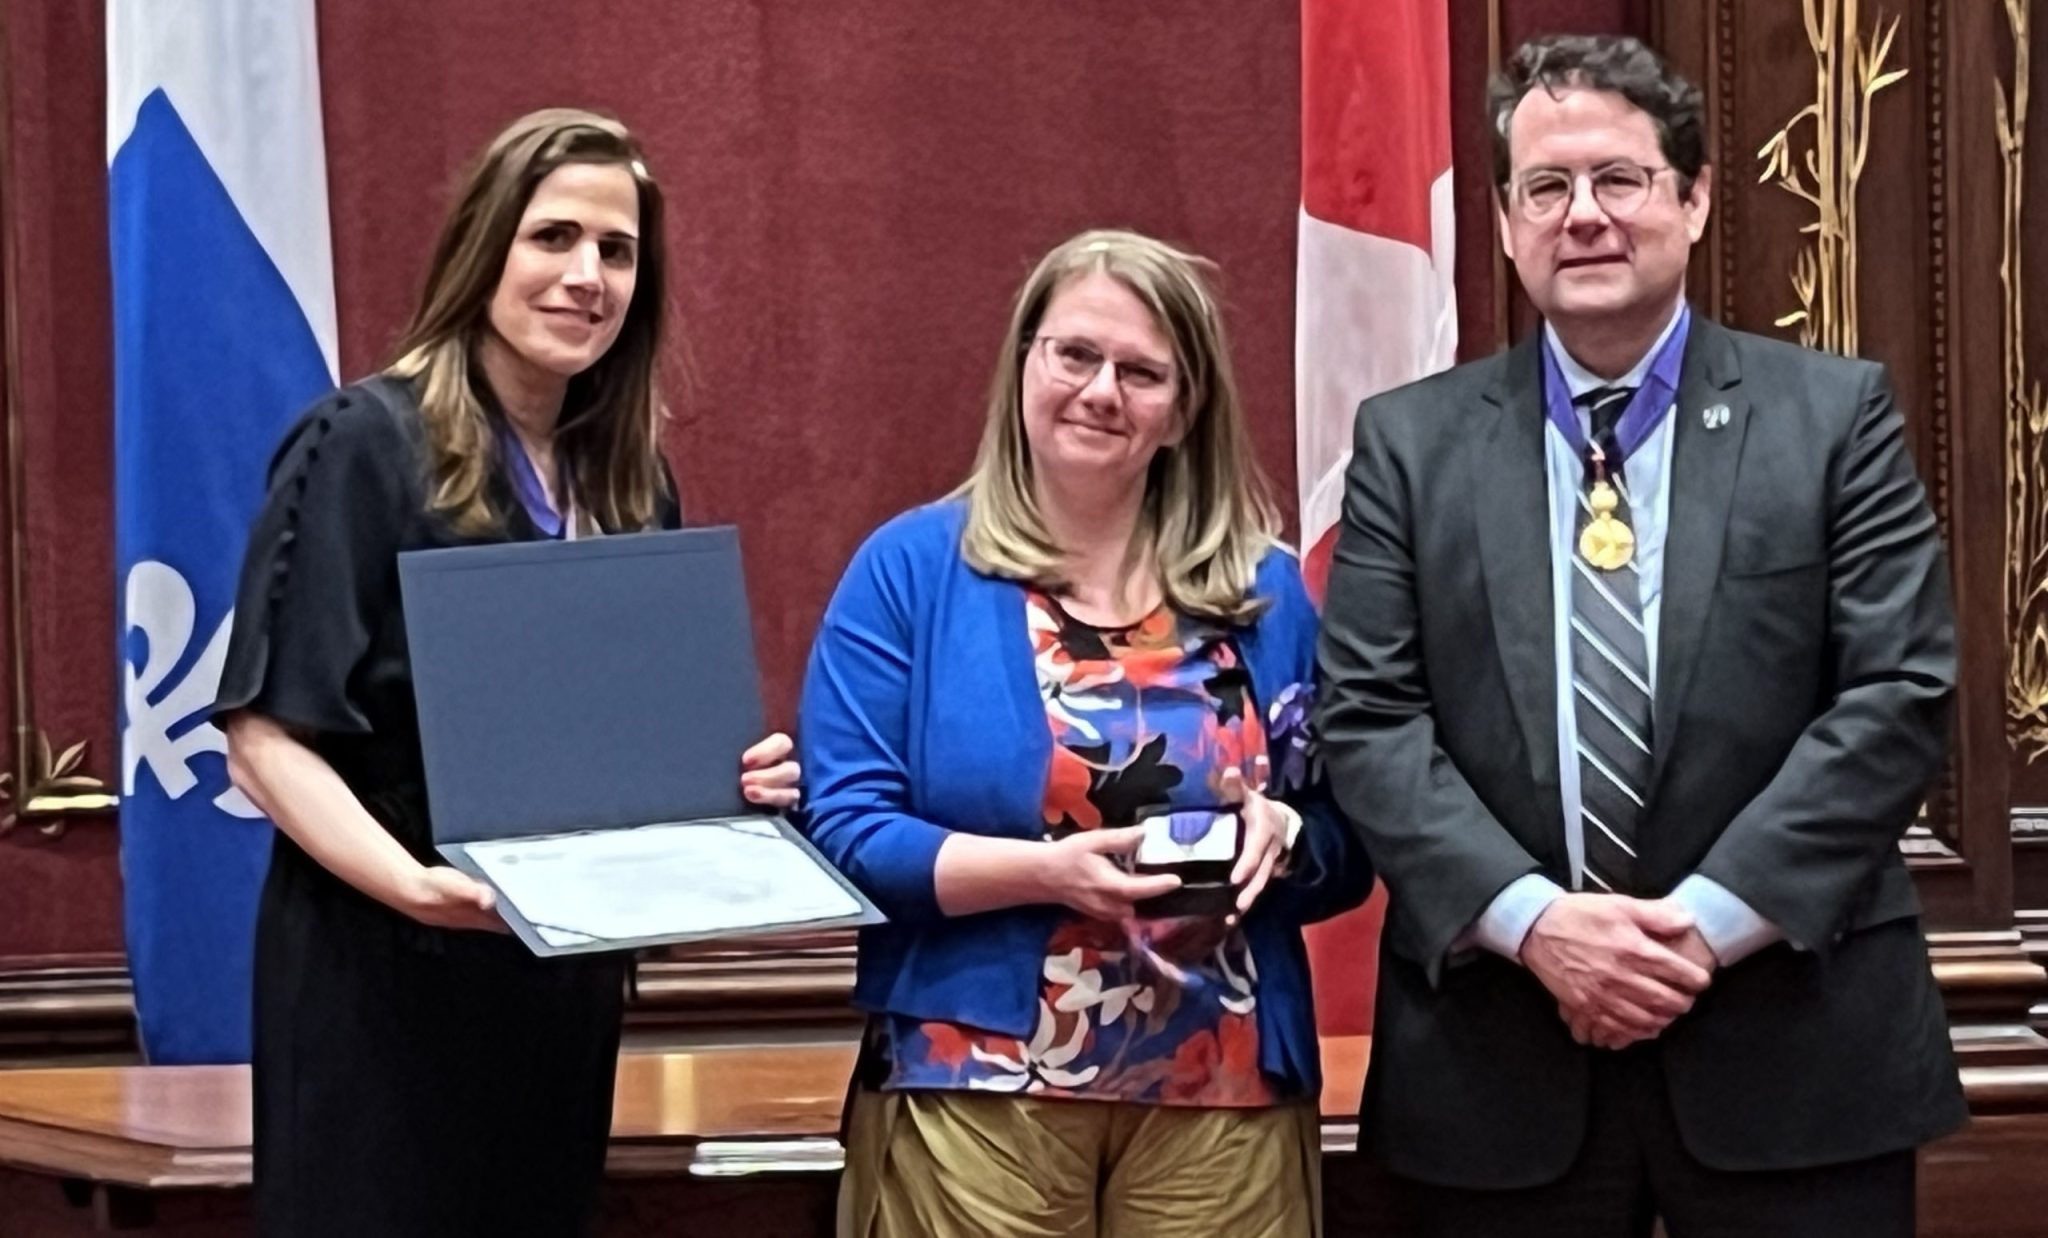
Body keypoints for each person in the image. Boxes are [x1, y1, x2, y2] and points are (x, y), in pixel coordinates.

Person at [1316, 34, 1966, 1237]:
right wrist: (1537, 923)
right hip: (1496, 1069)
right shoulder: (1410, 444)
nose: (1583, 215)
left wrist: (1697, 931)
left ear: (1694, 197)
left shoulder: (1833, 418)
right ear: (1503, 221)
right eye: (1544, 187)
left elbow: (1896, 694)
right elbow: (1367, 718)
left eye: (1617, 178)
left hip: (1794, 1054)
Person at [214, 109, 801, 1238]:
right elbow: (265, 740)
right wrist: (414, 887)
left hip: (553, 992)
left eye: (617, 251)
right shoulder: (362, 444)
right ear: (484, 246)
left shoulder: (631, 484)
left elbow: (623, 752)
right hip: (380, 978)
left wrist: (727, 785)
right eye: (554, 237)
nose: (587, 276)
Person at [799, 228, 1371, 1238]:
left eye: (1141, 372)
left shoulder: (1264, 592)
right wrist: (1044, 874)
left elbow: (1346, 841)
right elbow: (845, 831)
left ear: (1183, 410)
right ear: (1024, 363)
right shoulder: (911, 570)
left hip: (1227, 1087)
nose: (1101, 391)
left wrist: (1286, 839)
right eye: (1074, 354)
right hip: (975, 1082)